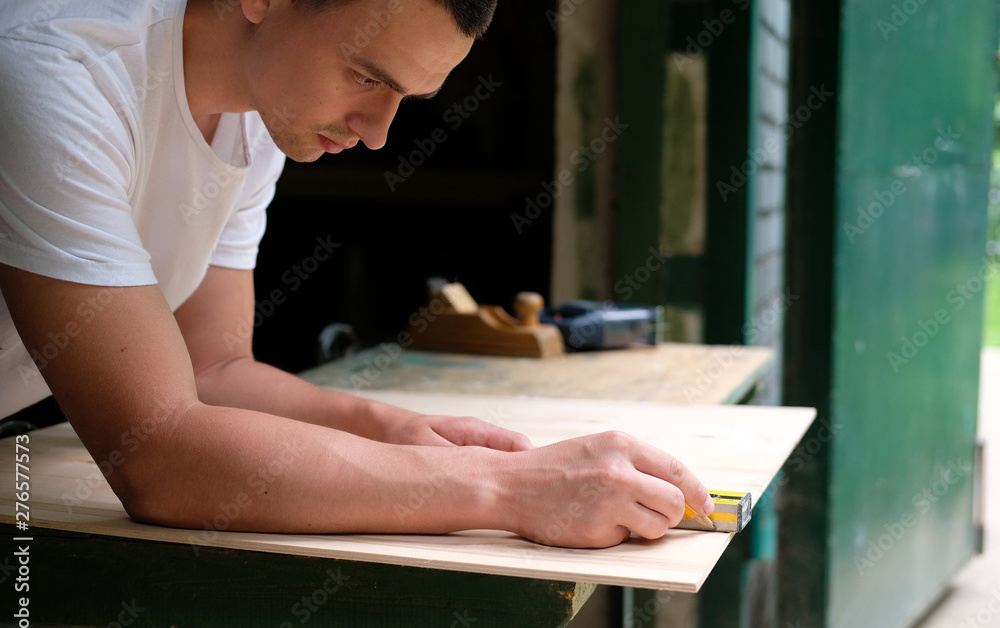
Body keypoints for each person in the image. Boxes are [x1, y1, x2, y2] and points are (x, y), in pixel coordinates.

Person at [0, 0, 714, 551]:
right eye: (367, 75)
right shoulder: (51, 78)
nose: (376, 132)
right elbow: (157, 454)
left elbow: (212, 366)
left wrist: (399, 431)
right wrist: (507, 488)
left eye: (405, 97)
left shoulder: (259, 108)